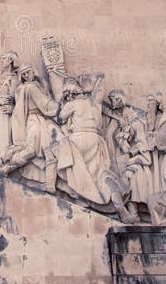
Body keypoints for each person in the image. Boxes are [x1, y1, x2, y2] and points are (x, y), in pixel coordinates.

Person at [55, 74, 137, 223]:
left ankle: (85, 196)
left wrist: (62, 101)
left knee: (79, 172)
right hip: (96, 141)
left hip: (79, 140)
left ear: (70, 94)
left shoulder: (72, 104)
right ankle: (119, 206)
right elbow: (100, 83)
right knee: (102, 174)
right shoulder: (94, 104)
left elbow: (60, 118)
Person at [0, 64, 59, 187]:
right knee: (32, 149)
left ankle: (50, 184)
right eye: (24, 74)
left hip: (42, 120)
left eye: (28, 72)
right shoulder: (30, 87)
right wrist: (60, 107)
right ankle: (9, 165)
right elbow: (45, 105)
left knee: (47, 150)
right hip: (34, 119)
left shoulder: (36, 86)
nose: (27, 76)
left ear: (33, 71)